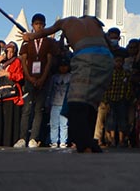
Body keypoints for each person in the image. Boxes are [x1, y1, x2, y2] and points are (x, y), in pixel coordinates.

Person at [22, 15, 114, 153]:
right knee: (91, 102)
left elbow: (45, 32)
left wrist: (30, 36)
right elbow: (109, 43)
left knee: (76, 102)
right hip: (107, 58)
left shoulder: (64, 22)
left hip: (86, 56)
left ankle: (85, 145)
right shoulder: (93, 21)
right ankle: (89, 141)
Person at [17, 12, 54, 147]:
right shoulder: (27, 41)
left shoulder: (49, 42)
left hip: (43, 79)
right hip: (30, 78)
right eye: (36, 24)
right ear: (32, 25)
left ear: (45, 25)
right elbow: (23, 60)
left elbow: (49, 61)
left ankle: (34, 138)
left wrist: (43, 78)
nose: (39, 26)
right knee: (27, 109)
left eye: (41, 24)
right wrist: (29, 77)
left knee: (39, 109)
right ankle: (22, 138)